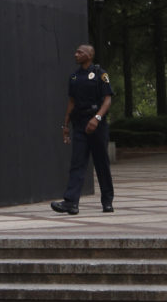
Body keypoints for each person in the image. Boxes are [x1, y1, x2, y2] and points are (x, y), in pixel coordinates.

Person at [50, 43, 114, 215]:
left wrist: (97, 118)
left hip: (97, 123)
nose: (76, 54)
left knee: (101, 163)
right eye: (76, 51)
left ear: (90, 55)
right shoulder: (74, 77)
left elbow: (107, 100)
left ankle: (107, 201)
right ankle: (71, 202)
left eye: (80, 52)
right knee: (77, 163)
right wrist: (66, 125)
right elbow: (71, 103)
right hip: (80, 123)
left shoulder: (101, 74)